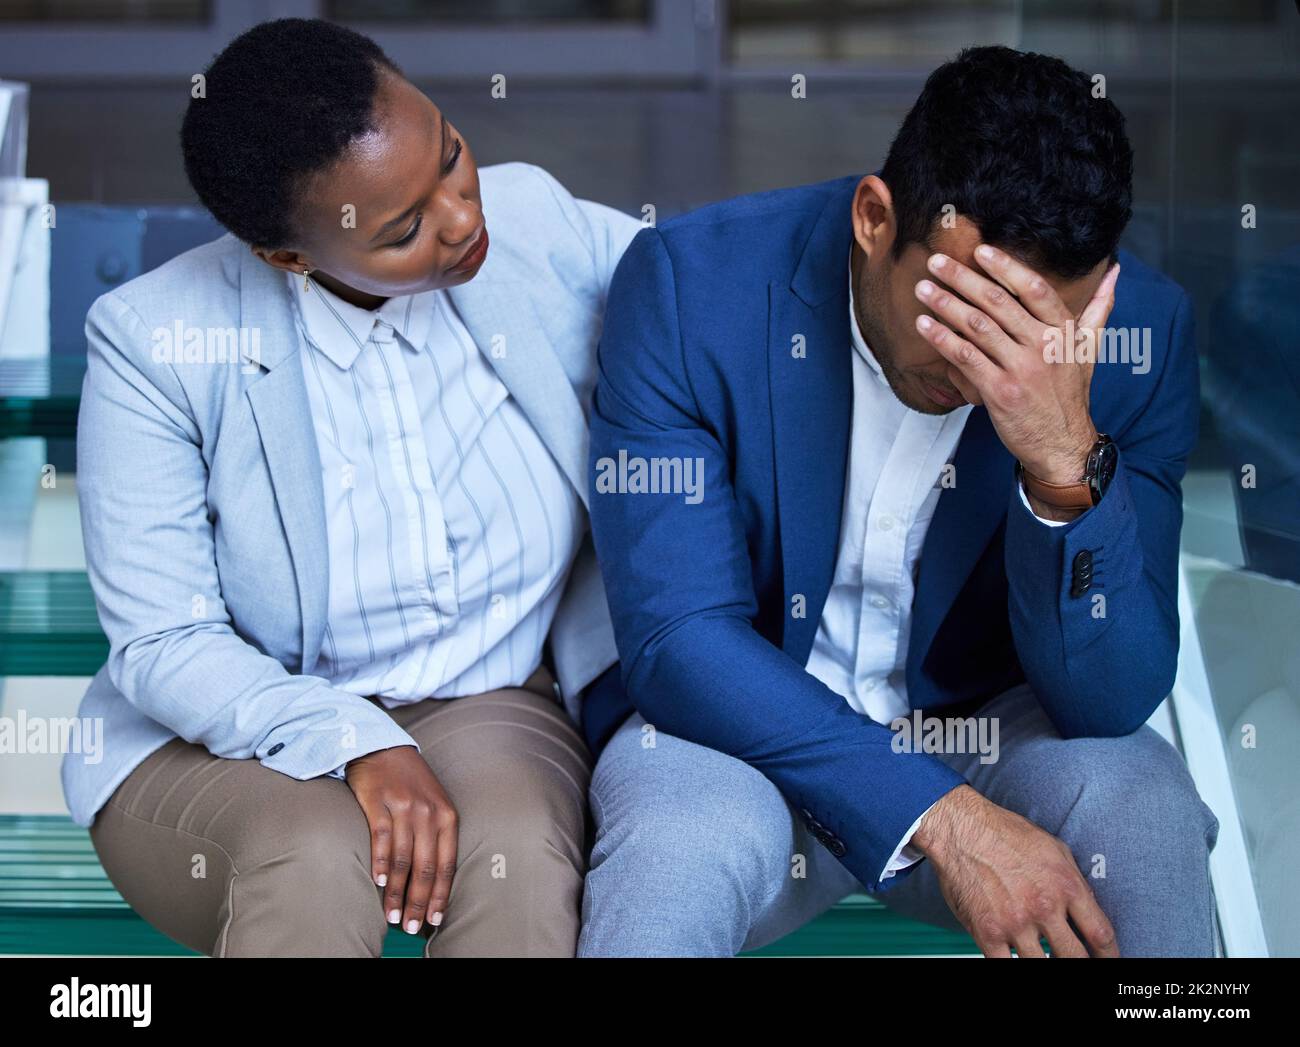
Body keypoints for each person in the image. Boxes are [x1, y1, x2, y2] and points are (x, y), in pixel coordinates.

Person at [581, 45, 1220, 958]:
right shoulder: (692, 287)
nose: (994, 365)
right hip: (746, 730)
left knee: (1147, 811)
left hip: (988, 725)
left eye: (1037, 330)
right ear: (876, 219)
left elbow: (1111, 699)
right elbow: (679, 643)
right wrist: (944, 819)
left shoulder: (1139, 334)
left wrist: (1061, 458)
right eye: (964, 315)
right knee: (674, 850)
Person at [62, 17, 640, 957]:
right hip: (223, 728)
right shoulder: (155, 340)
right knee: (313, 853)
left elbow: (714, 287)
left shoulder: (532, 224)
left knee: (520, 859)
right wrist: (356, 740)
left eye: (451, 154)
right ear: (289, 256)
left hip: (482, 694)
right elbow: (167, 640)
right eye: (404, 228)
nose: (460, 218)